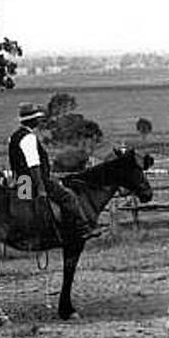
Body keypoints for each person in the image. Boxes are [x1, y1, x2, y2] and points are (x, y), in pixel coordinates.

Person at [8, 103, 104, 240]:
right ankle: (84, 228)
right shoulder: (28, 138)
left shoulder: (13, 137)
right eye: (37, 118)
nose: (39, 121)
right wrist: (41, 188)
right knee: (69, 197)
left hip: (22, 181)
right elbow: (33, 165)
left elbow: (15, 162)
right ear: (31, 120)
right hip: (34, 181)